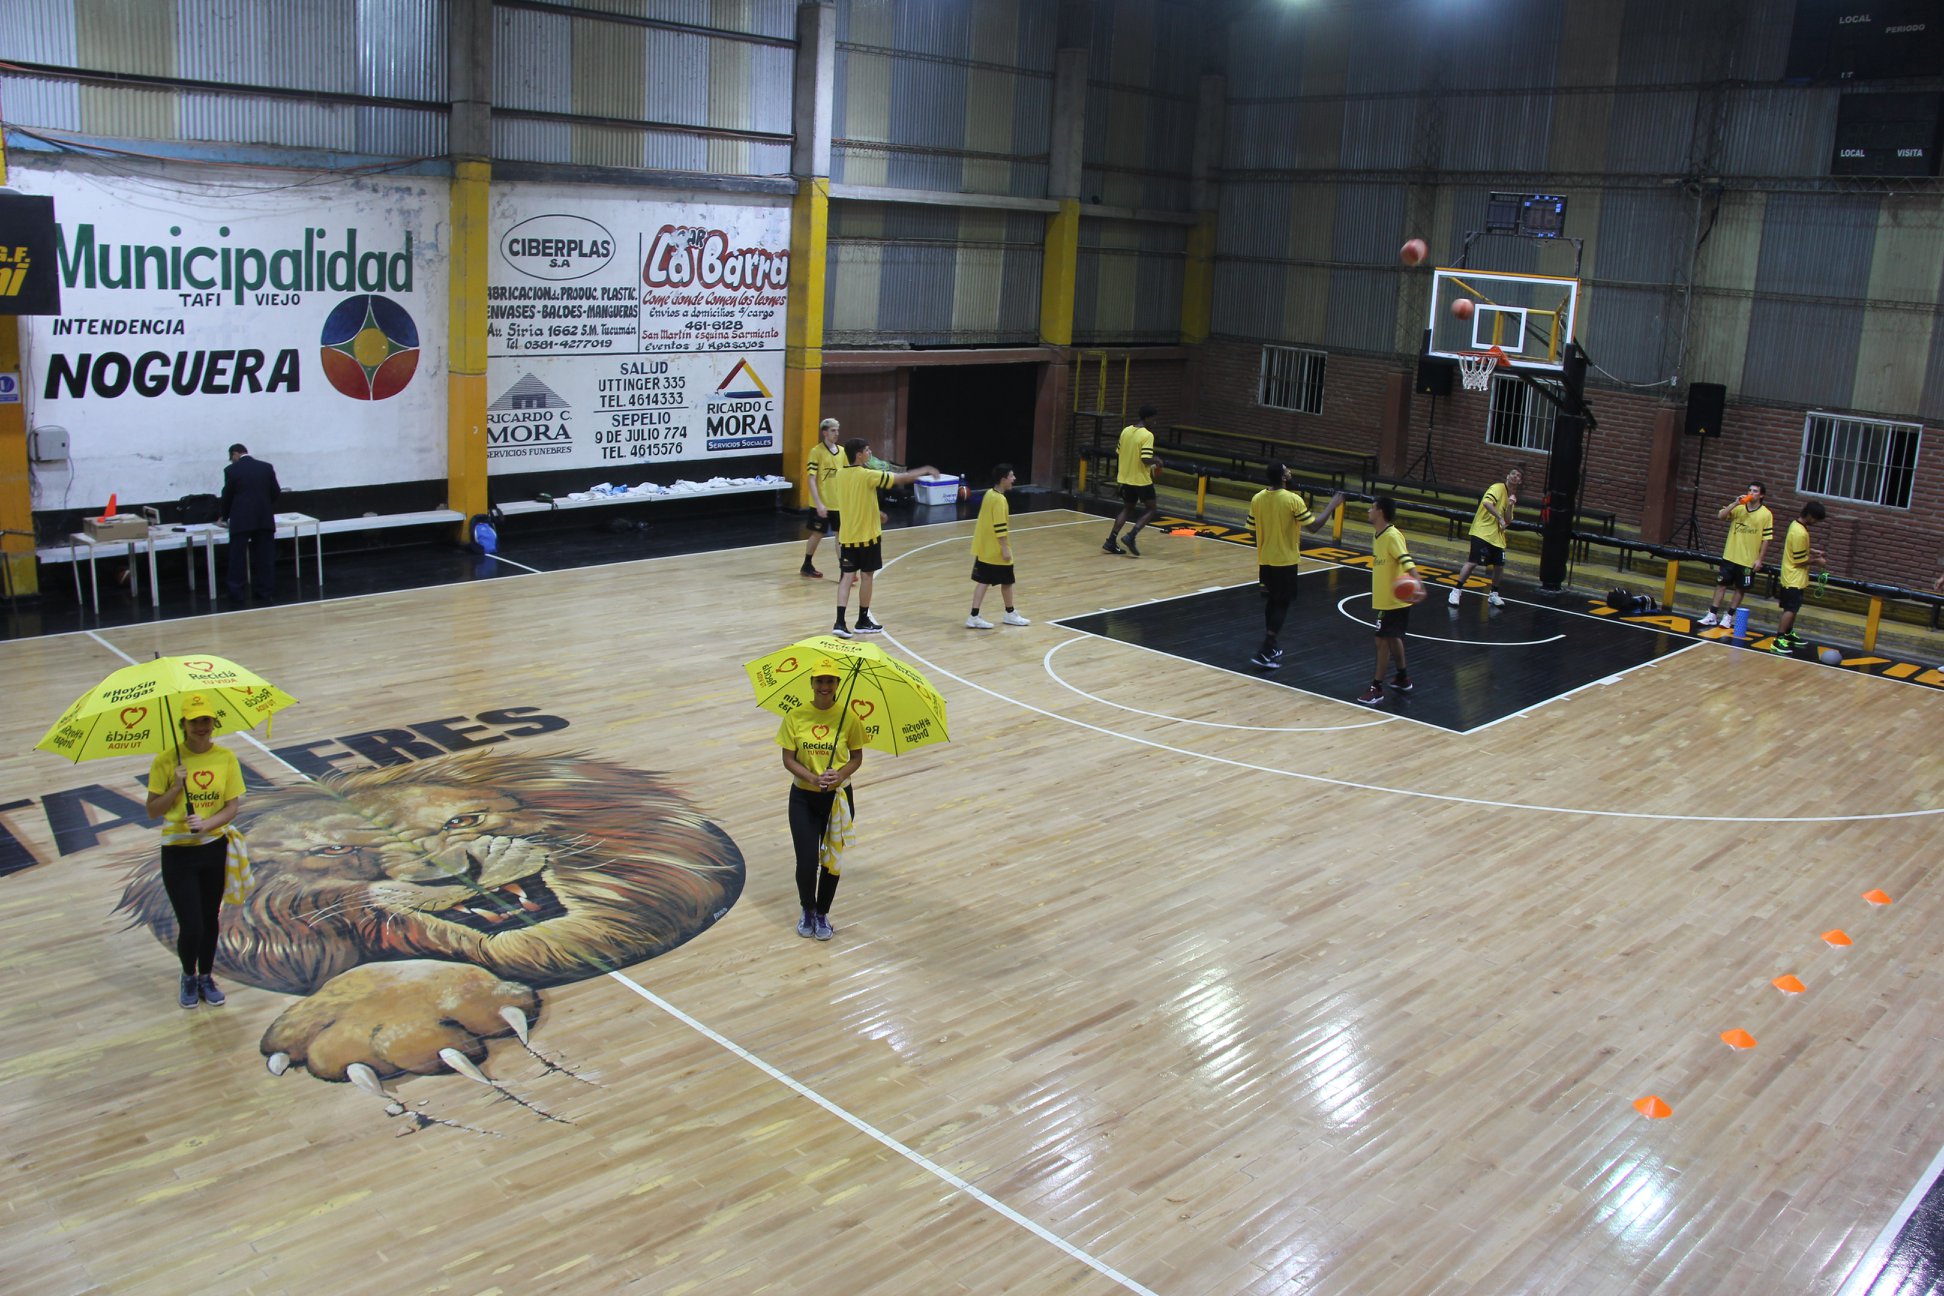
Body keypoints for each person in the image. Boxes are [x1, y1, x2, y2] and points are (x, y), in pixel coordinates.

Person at [143, 695, 245, 1008]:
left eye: (206, 721)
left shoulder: (226, 757)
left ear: (214, 723)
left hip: (213, 848)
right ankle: (188, 975)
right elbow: (151, 811)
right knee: (192, 924)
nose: (201, 727)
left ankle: (206, 976)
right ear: (183, 725)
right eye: (194, 721)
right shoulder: (166, 760)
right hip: (178, 853)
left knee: (211, 919)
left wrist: (207, 823)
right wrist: (175, 787)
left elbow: (231, 807)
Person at [776, 661, 865, 941]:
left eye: (830, 681)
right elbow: (788, 759)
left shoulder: (849, 718)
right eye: (820, 681)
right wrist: (812, 778)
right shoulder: (795, 716)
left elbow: (857, 758)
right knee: (806, 861)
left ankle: (823, 913)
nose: (825, 687)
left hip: (838, 799)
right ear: (811, 684)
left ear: (837, 685)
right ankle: (808, 908)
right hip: (803, 797)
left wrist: (838, 775)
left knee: (831, 862)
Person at [829, 437, 937, 638]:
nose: (870, 453)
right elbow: (900, 479)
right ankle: (862, 620)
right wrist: (925, 470)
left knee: (846, 578)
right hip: (867, 537)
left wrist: (875, 513)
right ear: (859, 454)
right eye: (867, 450)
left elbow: (853, 499)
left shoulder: (841, 475)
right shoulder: (868, 475)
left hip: (847, 537)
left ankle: (839, 622)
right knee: (867, 576)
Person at [1246, 463, 1344, 669]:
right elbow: (1314, 527)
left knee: (1271, 603)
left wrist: (1266, 543)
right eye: (1286, 470)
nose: (1290, 472)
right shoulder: (1292, 500)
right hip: (1286, 561)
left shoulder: (1257, 498)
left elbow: (1251, 530)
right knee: (1282, 604)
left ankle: (1270, 647)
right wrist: (1332, 505)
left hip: (1265, 561)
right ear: (1282, 477)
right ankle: (1266, 648)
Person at [1358, 496, 1420, 706]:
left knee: (1381, 640)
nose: (1368, 510)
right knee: (1393, 638)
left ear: (1381, 512)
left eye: (1372, 507)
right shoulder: (1378, 534)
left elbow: (1406, 559)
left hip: (1395, 601)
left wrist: (1418, 582)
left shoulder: (1392, 535)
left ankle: (1377, 687)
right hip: (1388, 600)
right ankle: (1402, 678)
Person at [1698, 481, 1773, 627]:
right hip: (1730, 556)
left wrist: (1759, 559)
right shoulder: (1739, 508)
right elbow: (1721, 516)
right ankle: (1712, 614)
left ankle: (1729, 616)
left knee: (1740, 588)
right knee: (1721, 584)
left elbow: (1766, 539)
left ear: (1762, 495)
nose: (1751, 493)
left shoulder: (1766, 514)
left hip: (1747, 560)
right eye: (1750, 490)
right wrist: (1734, 503)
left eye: (1755, 491)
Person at [966, 464, 1032, 629]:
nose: (1014, 479)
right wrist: (1004, 548)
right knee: (1007, 582)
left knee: (983, 581)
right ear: (1003, 480)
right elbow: (1000, 526)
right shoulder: (1000, 500)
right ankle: (1010, 613)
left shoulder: (989, 494)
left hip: (985, 549)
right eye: (1011, 476)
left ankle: (974, 615)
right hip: (996, 550)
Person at [1449, 465, 1521, 607]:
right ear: (1507, 476)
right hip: (1482, 531)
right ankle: (1456, 590)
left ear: (1520, 481)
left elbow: (1508, 520)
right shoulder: (1497, 487)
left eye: (1518, 476)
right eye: (1513, 473)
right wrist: (1499, 518)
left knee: (1499, 566)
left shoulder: (1511, 496)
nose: (1515, 476)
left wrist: (1511, 505)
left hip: (1497, 537)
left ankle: (1494, 594)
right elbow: (1487, 503)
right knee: (1473, 562)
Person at [220, 442, 281, 602]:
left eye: (231, 458)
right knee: (265, 557)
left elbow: (227, 496)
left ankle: (236, 592)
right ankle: (265, 592)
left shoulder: (232, 470)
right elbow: (276, 491)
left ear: (235, 454)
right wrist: (265, 506)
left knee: (237, 556)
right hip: (264, 517)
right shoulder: (266, 467)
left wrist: (224, 515)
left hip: (241, 519)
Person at [1103, 405, 1163, 557]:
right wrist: (1157, 460)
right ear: (1148, 418)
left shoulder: (1126, 430)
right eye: (1154, 419)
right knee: (1151, 508)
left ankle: (1111, 540)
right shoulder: (1147, 435)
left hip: (1126, 478)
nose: (1155, 422)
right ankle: (1131, 536)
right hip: (1141, 479)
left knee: (1127, 508)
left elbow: (1118, 452)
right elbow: (1145, 458)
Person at [1771, 501, 1828, 654]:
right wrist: (1817, 561)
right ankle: (1778, 639)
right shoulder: (1800, 532)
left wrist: (1813, 550)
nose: (1816, 522)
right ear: (1810, 515)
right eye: (1816, 519)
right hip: (1792, 578)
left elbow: (1798, 548)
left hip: (1796, 577)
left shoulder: (1797, 525)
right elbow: (1799, 560)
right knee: (1790, 609)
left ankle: (1788, 634)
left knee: (1794, 608)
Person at [800, 417, 845, 578]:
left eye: (837, 430)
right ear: (824, 432)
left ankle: (844, 571)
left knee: (841, 536)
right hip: (822, 504)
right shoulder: (816, 452)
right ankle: (806, 564)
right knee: (817, 534)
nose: (836, 433)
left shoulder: (843, 451)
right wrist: (818, 503)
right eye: (833, 430)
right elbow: (811, 479)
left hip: (838, 504)